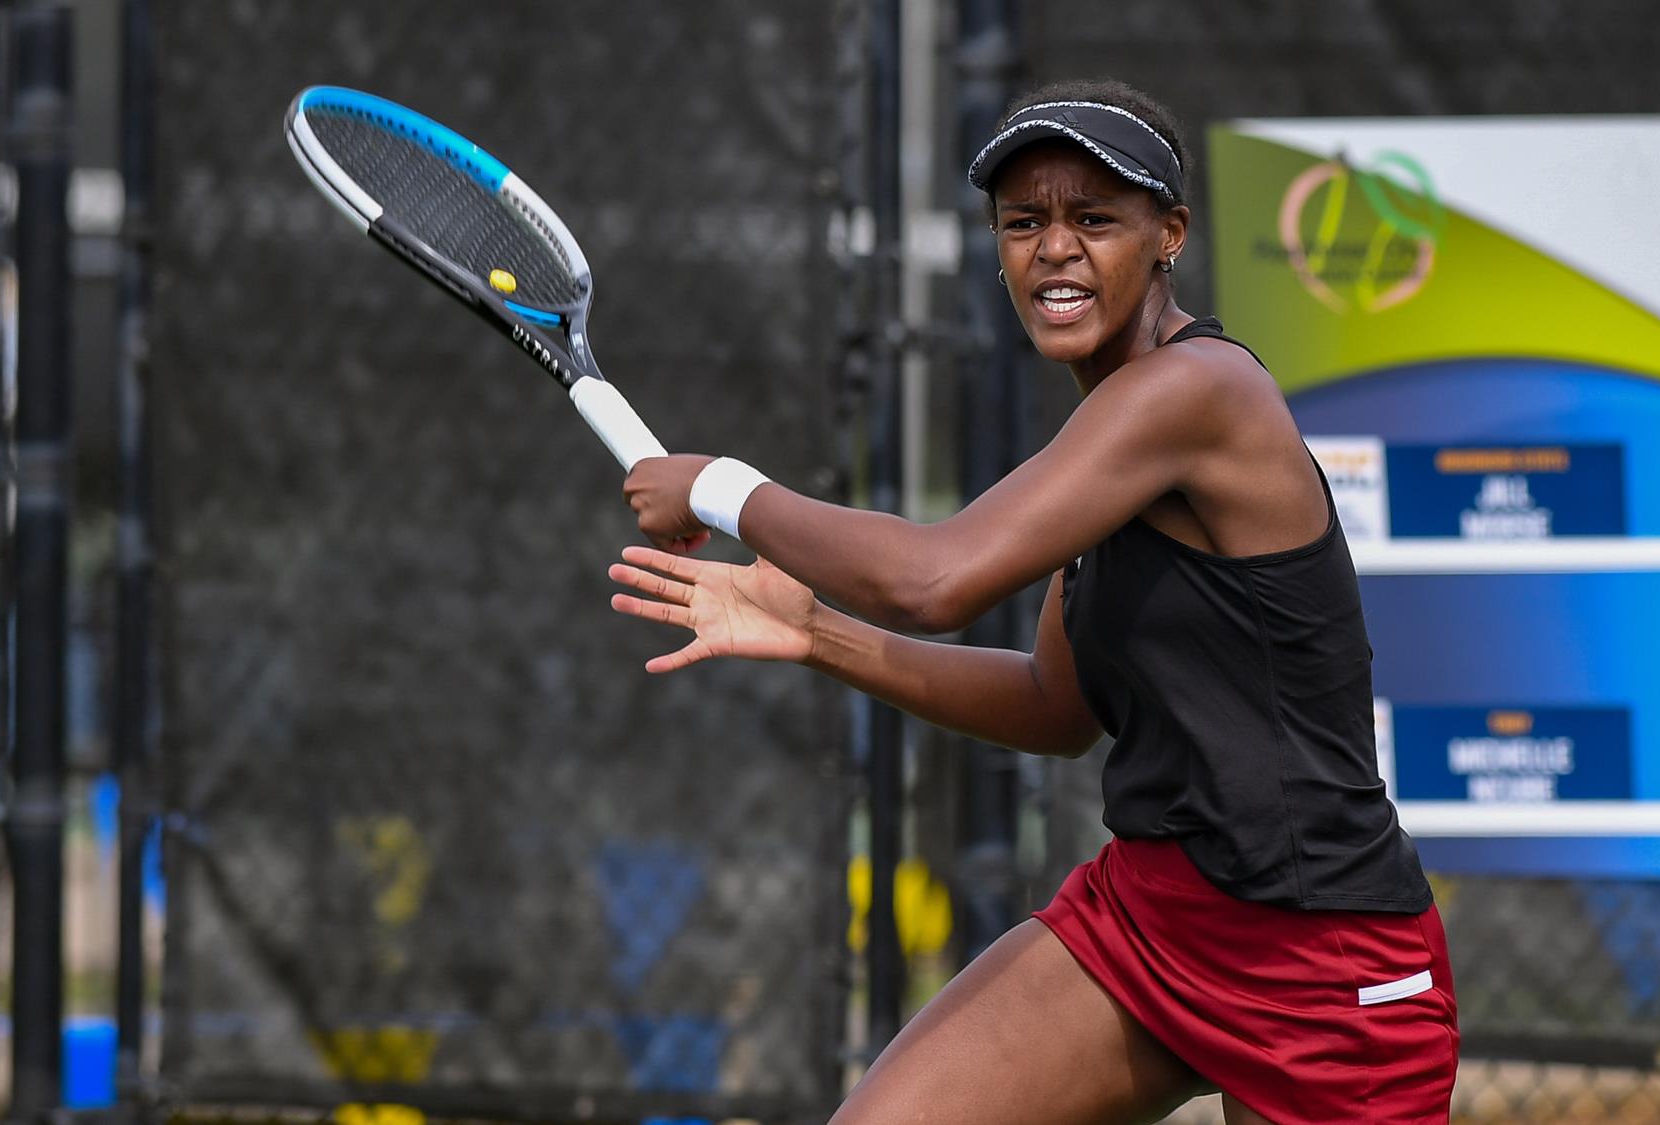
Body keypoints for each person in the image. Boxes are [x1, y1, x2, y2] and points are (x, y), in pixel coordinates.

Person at [609, 78, 1458, 1125]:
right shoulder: (1105, 437)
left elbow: (933, 580)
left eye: (1093, 218)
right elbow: (1055, 709)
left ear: (1167, 237)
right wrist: (814, 633)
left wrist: (718, 486)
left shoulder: (1200, 393)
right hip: (1152, 925)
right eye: (1024, 223)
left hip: (1324, 963)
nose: (1054, 247)